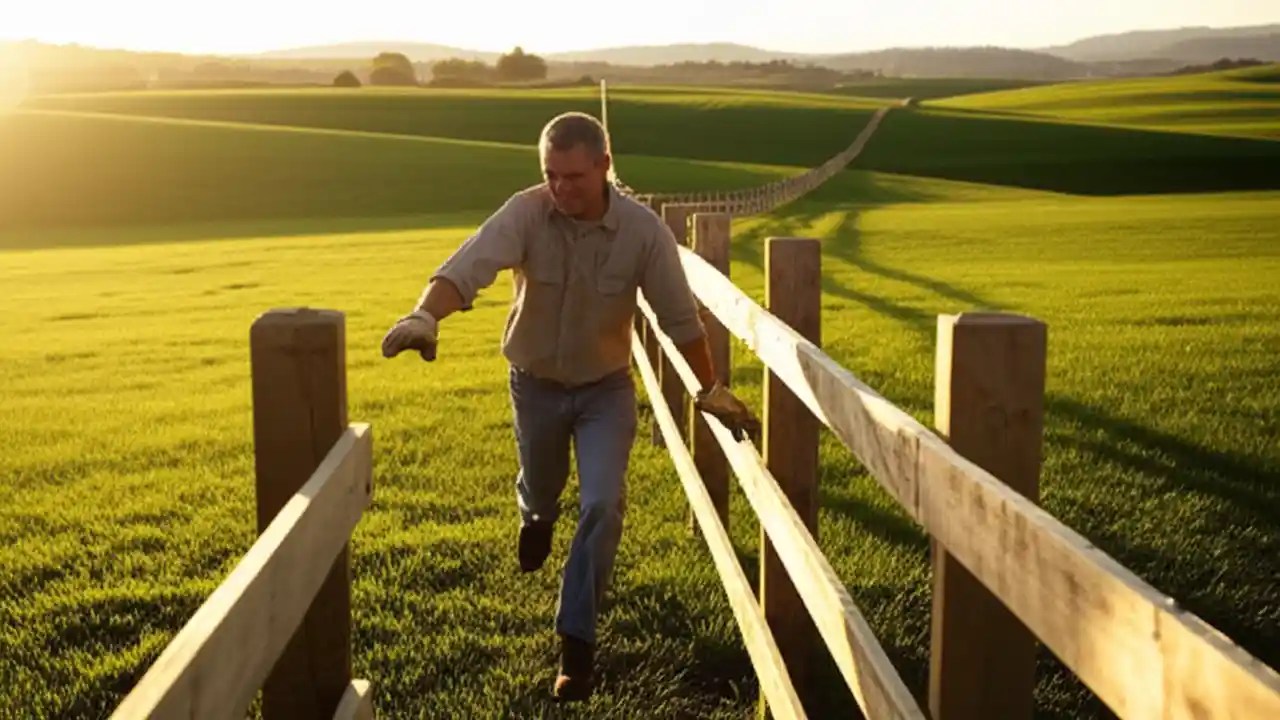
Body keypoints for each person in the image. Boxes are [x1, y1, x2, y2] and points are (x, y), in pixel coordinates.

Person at [381, 111, 759, 702]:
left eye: (574, 177)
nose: (560, 189)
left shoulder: (643, 233)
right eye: (551, 175)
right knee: (542, 483)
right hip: (534, 384)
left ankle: (576, 646)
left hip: (605, 390)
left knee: (604, 502)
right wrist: (425, 315)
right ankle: (536, 515)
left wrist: (708, 388)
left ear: (605, 166)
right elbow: (468, 268)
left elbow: (680, 320)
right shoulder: (526, 211)